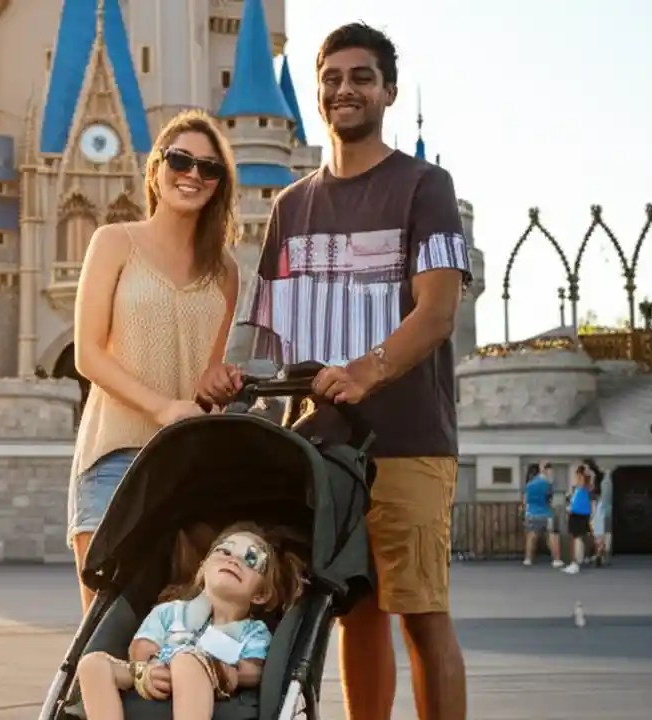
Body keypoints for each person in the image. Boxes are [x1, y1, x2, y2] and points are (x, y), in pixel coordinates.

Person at [203, 22, 472, 720]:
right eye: (332, 79)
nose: (345, 89)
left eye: (361, 77)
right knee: (356, 612)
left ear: (386, 90)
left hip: (407, 441)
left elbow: (437, 312)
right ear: (316, 96)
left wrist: (366, 371)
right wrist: (226, 380)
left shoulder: (423, 186)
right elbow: (263, 337)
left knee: (421, 612)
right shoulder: (290, 207)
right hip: (319, 450)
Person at [69, 109, 241, 612]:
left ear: (220, 184)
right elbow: (88, 354)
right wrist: (163, 408)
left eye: (209, 168)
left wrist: (220, 385)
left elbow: (206, 379)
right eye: (181, 160)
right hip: (114, 456)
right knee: (103, 632)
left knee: (176, 631)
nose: (193, 174)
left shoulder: (227, 272)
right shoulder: (114, 242)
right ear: (156, 168)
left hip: (186, 467)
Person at [75, 523, 303, 719]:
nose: (234, 560)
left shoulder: (253, 631)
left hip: (210, 680)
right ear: (202, 569)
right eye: (225, 551)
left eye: (251, 559)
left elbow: (254, 670)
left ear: (260, 594)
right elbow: (142, 645)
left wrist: (231, 674)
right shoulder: (170, 611)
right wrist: (149, 668)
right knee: (93, 664)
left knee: (187, 661)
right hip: (154, 675)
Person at [522, 463, 563, 567]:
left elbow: (525, 500)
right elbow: (549, 499)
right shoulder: (547, 484)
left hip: (531, 513)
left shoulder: (529, 485)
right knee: (551, 536)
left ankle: (528, 559)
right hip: (546, 513)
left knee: (531, 536)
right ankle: (556, 560)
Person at [561, 466, 593, 575]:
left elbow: (576, 503)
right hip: (583, 514)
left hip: (576, 514)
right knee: (582, 537)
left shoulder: (581, 487)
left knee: (575, 538)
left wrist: (570, 508)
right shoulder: (586, 487)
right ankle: (582, 559)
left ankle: (574, 563)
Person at [587, 458, 614, 567]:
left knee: (599, 532)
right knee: (605, 532)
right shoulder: (603, 481)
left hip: (599, 508)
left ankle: (600, 554)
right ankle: (604, 554)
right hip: (603, 508)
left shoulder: (594, 481)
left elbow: (594, 497)